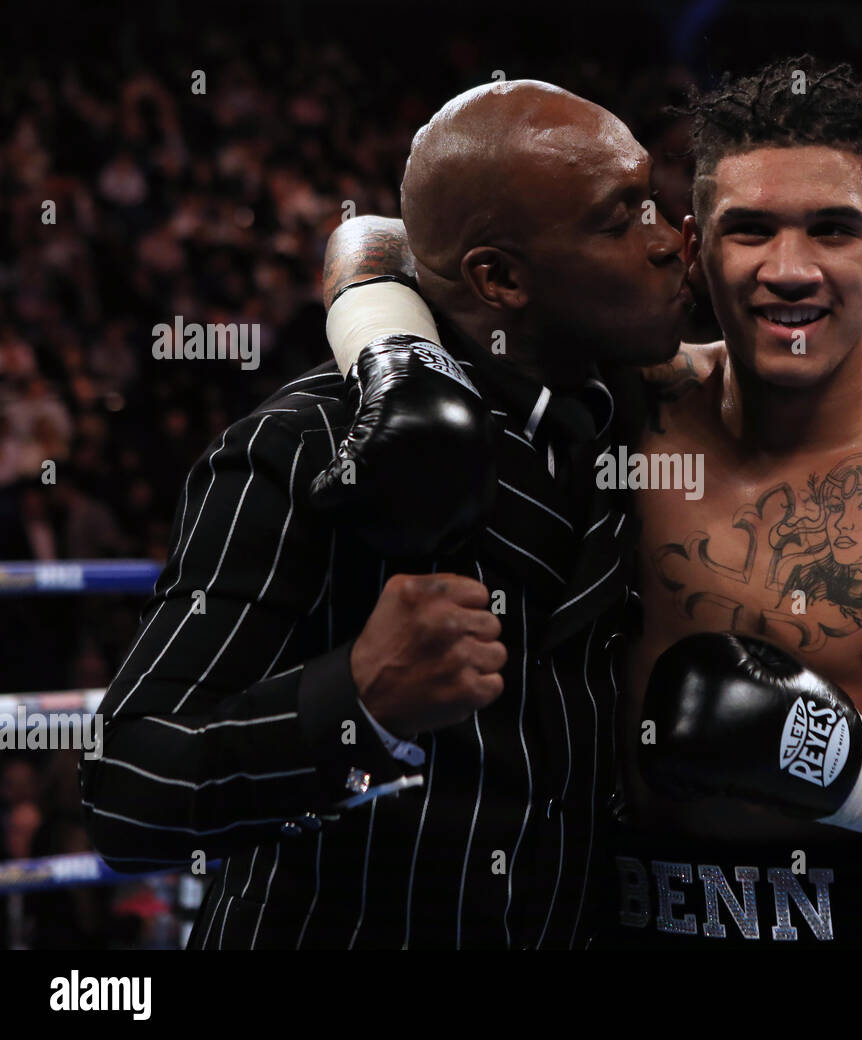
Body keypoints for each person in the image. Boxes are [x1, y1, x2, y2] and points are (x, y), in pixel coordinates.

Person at [323, 57, 862, 948]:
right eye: (750, 231)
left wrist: (856, 769)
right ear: (697, 247)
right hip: (612, 915)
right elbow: (386, 238)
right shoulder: (624, 396)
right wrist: (394, 358)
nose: (790, 270)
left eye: (831, 230)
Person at [80, 80, 689, 949]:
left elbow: (376, 243)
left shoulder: (639, 416)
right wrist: (354, 703)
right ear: (501, 278)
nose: (668, 242)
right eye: (621, 216)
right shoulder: (307, 442)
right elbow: (125, 790)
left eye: (656, 202)